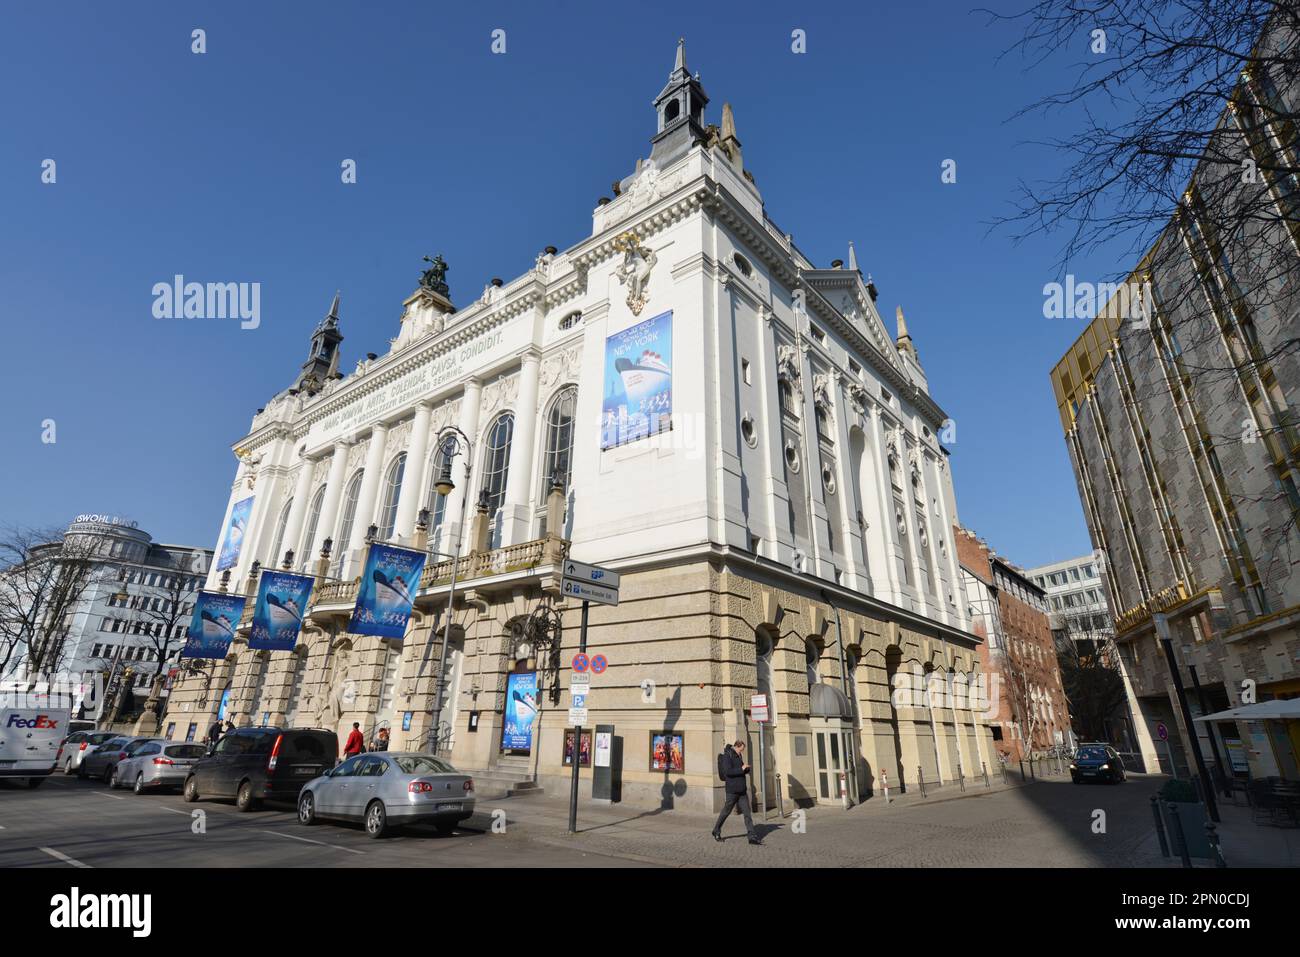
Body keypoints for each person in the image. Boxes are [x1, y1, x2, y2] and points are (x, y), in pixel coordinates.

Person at [712, 740, 761, 845]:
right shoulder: (727, 756)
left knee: (747, 813)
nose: (741, 752)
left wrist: (746, 769)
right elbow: (728, 772)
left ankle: (752, 837)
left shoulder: (738, 755)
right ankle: (716, 830)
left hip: (742, 791)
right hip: (732, 791)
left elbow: (740, 769)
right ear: (737, 747)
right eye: (741, 749)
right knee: (726, 812)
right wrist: (741, 768)